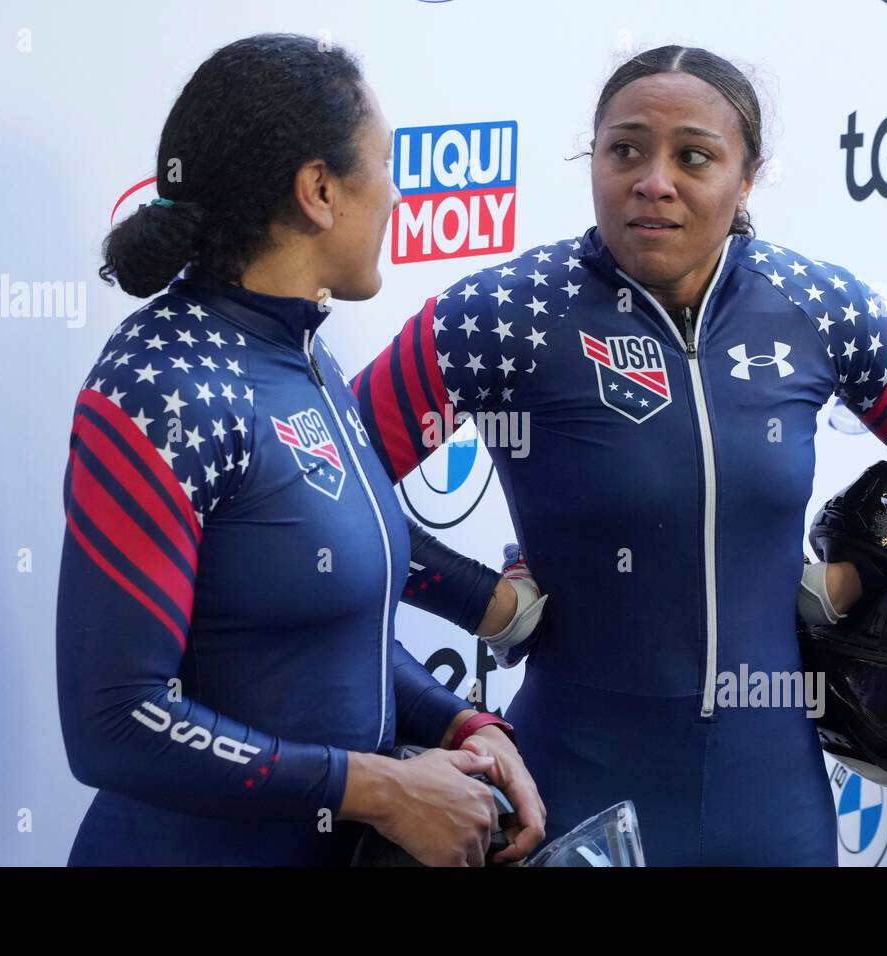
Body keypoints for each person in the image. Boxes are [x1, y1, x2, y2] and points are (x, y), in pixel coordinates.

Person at [352, 45, 887, 865]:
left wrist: (850, 575)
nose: (652, 180)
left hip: (772, 797)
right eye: (624, 150)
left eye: (693, 156)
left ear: (747, 177)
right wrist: (477, 598)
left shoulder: (815, 305)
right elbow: (332, 490)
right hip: (572, 781)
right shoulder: (503, 315)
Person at [55, 33, 544, 866]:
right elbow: (114, 722)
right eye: (386, 164)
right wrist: (384, 788)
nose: (397, 195)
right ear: (319, 190)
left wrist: (462, 723)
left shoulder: (309, 355)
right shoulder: (162, 384)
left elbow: (326, 635)